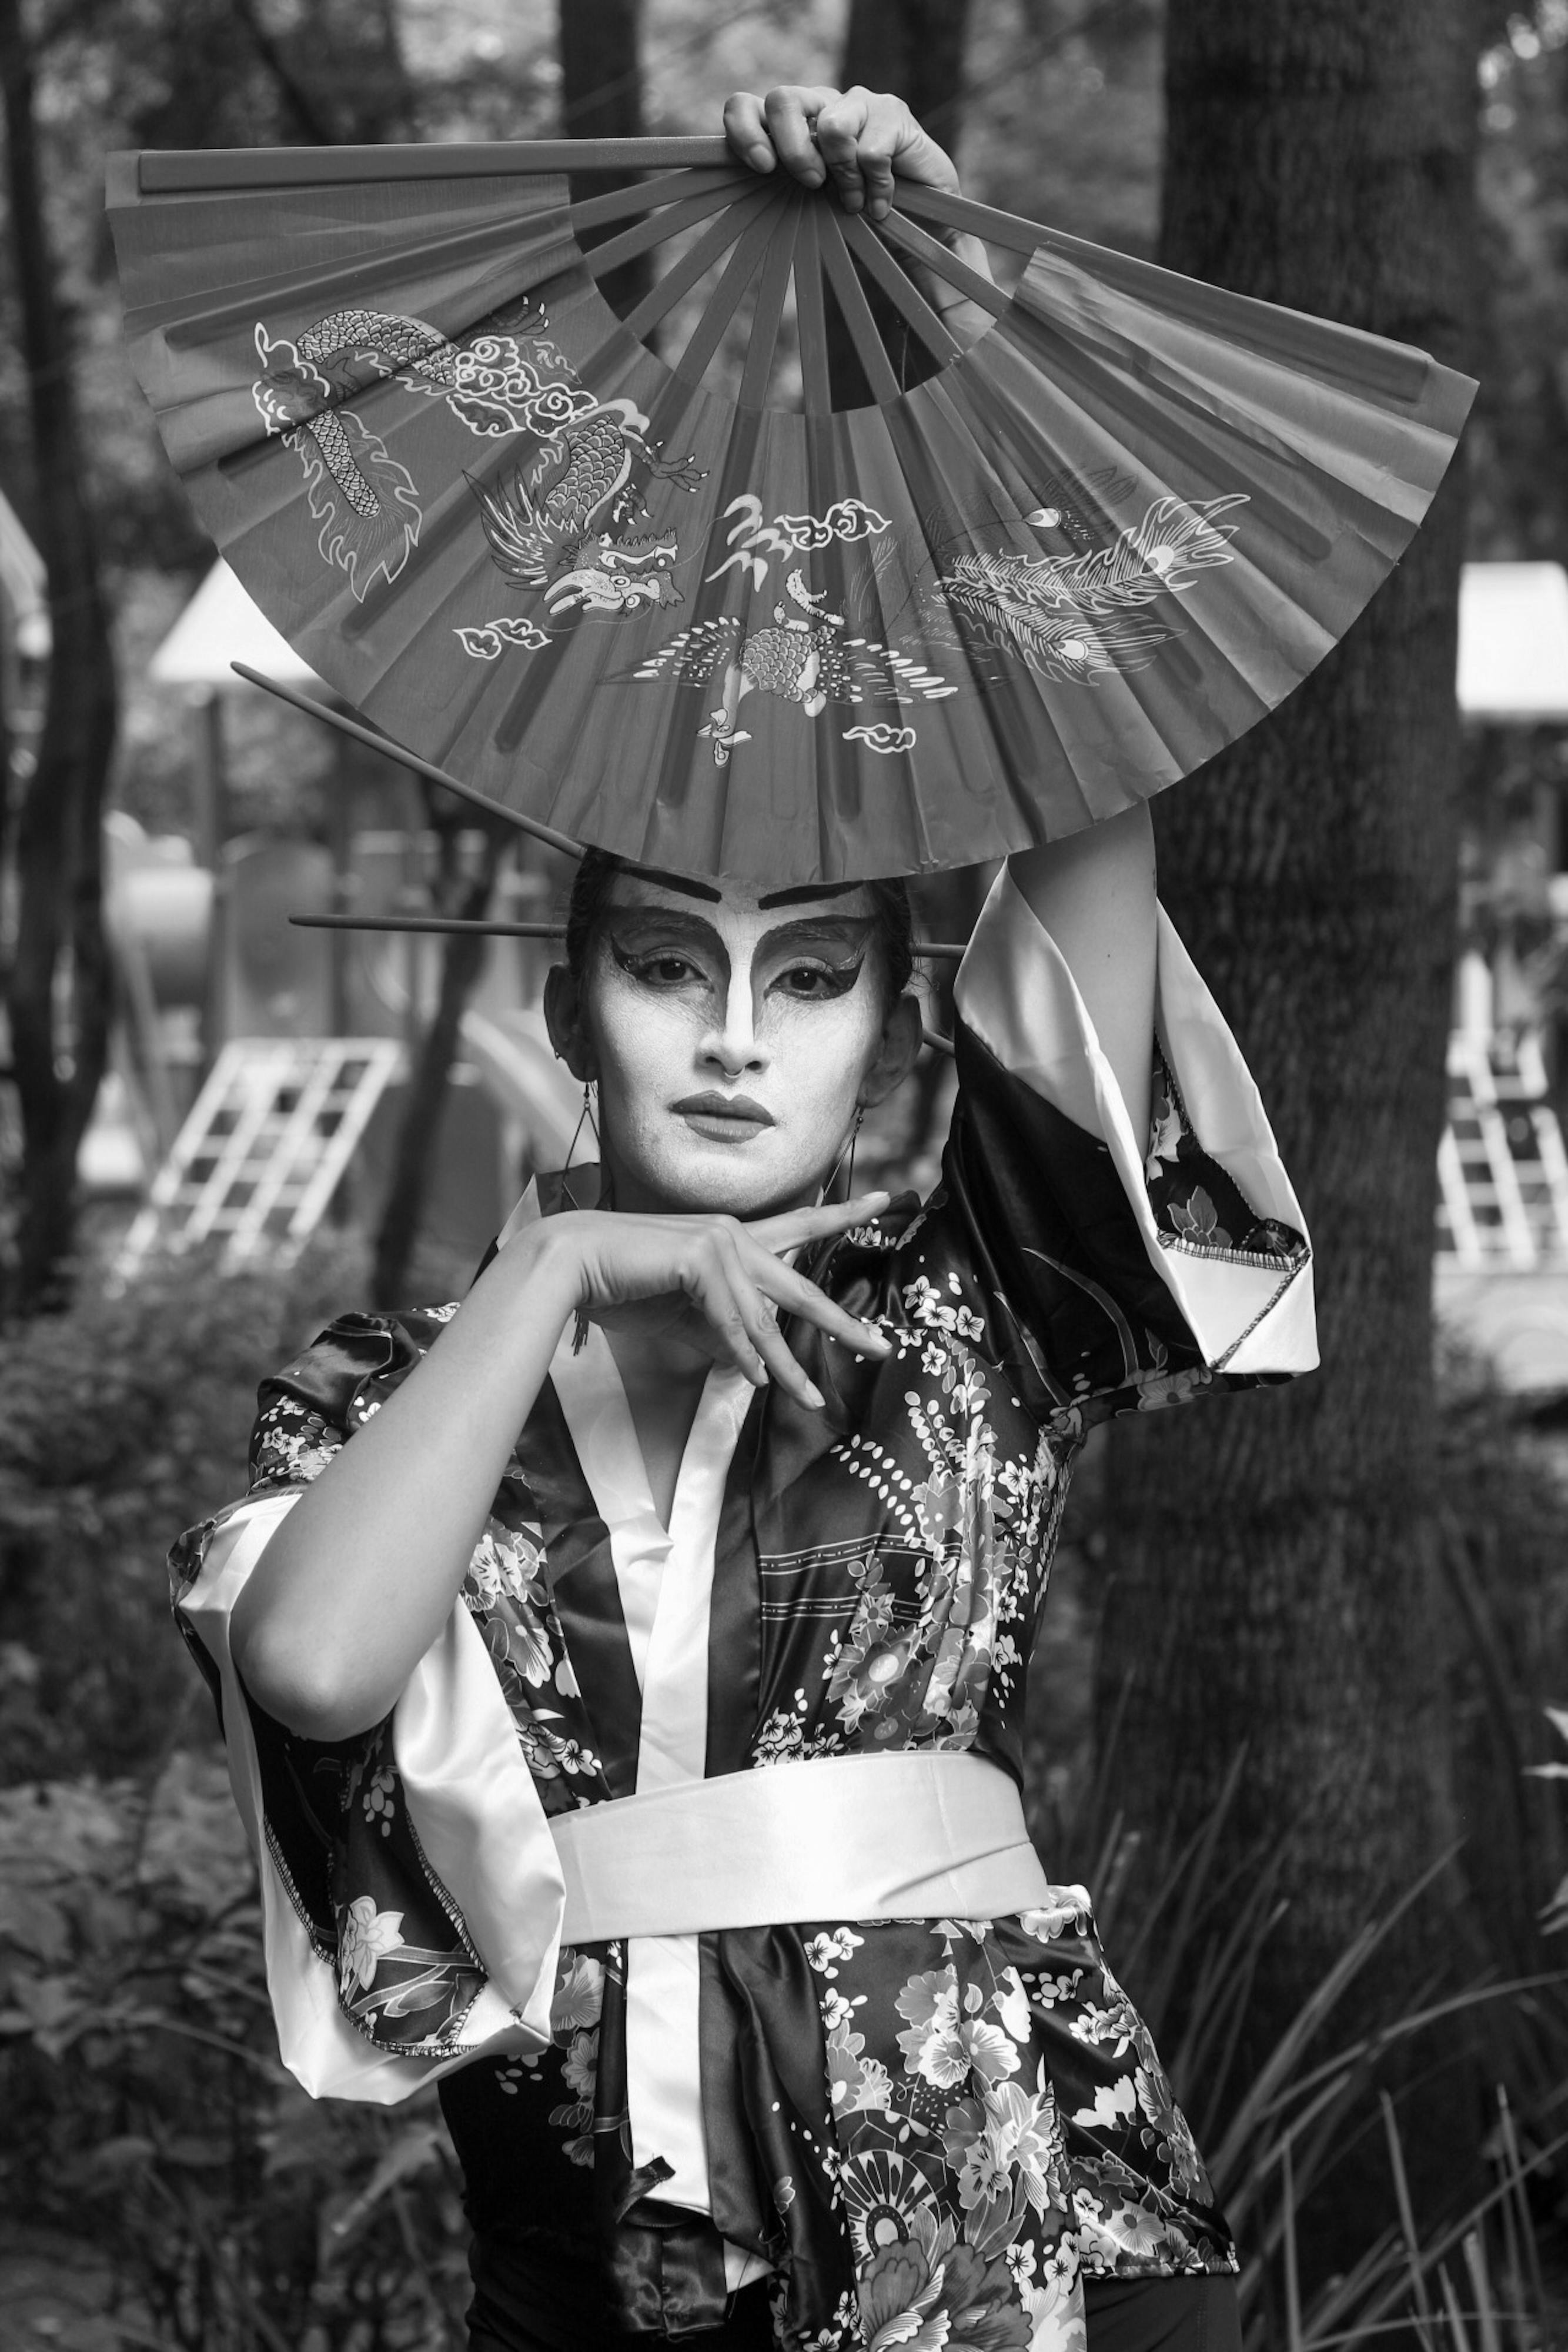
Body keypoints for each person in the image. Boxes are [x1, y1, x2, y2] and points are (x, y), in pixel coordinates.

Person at [171, 88, 1316, 2352]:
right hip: (584, 2271)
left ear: (895, 1021)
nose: (730, 1036)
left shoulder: (988, 1297)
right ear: (569, 999)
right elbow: (312, 1668)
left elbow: (1094, 750)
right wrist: (560, 1264)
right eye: (665, 965)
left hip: (1023, 2256)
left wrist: (946, 288)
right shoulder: (385, 1388)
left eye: (808, 979)